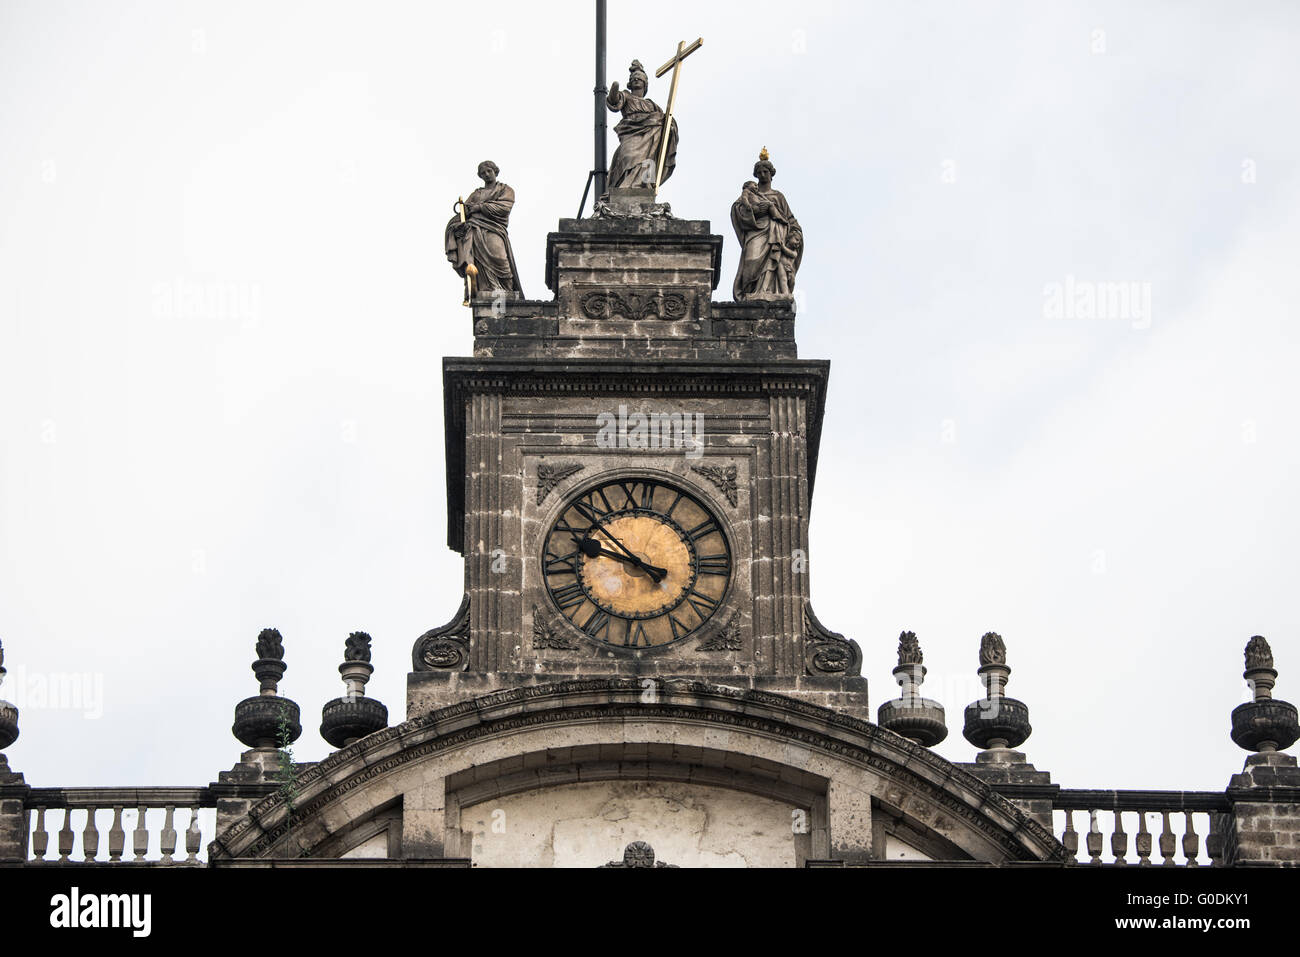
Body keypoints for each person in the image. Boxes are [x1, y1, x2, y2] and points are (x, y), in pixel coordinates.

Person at [730, 149, 802, 300]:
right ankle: (751, 291)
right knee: (751, 260)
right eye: (760, 172)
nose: (762, 175)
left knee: (772, 263)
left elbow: (790, 219)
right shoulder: (750, 193)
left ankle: (768, 292)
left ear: (771, 174)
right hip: (756, 231)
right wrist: (757, 210)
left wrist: (795, 233)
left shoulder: (777, 196)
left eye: (765, 172)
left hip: (774, 233)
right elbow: (737, 209)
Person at [444, 160, 523, 296]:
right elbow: (465, 211)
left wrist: (479, 207)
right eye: (483, 173)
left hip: (494, 230)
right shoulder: (476, 194)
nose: (486, 174)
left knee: (500, 258)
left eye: (489, 171)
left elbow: (504, 208)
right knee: (479, 263)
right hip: (475, 230)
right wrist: (459, 225)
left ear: (495, 171)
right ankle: (488, 288)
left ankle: (506, 289)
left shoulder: (505, 190)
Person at [605, 60, 678, 192]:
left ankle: (644, 188)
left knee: (647, 163)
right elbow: (614, 101)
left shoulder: (652, 105)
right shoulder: (626, 95)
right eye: (634, 78)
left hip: (651, 138)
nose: (637, 79)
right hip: (631, 133)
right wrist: (614, 91)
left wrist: (670, 124)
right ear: (630, 83)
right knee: (628, 157)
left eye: (640, 78)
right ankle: (624, 188)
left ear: (645, 83)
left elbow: (663, 121)